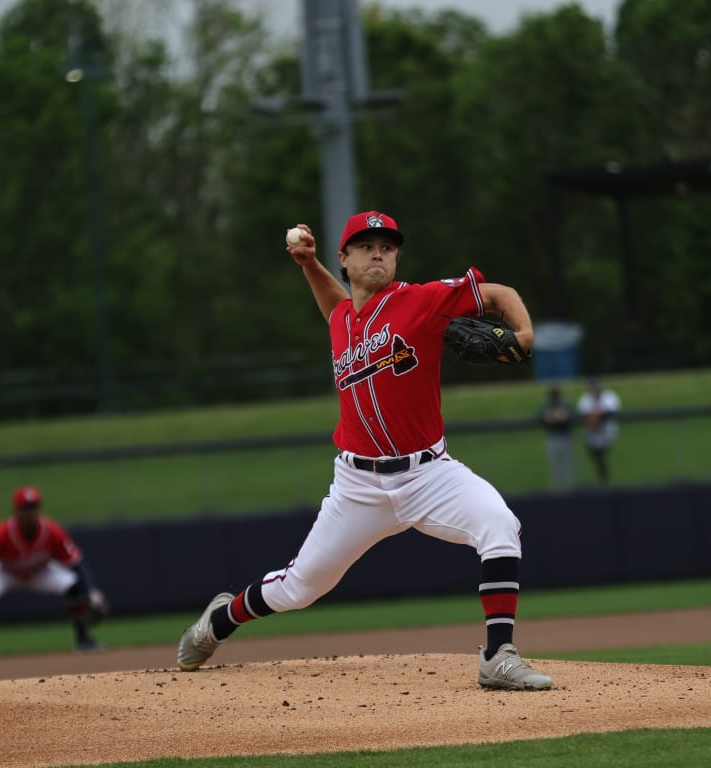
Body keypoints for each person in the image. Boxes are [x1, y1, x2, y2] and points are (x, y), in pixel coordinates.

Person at [175, 210, 554, 691]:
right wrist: (309, 265)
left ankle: (498, 656)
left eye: (387, 247)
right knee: (300, 587)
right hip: (358, 486)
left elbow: (500, 294)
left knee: (499, 525)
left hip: (429, 474)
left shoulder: (423, 300)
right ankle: (219, 621)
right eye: (366, 246)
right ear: (345, 258)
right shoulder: (342, 318)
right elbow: (337, 306)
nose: (379, 253)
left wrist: (524, 336)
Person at [0, 485, 107, 661]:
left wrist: (92, 590)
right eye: (25, 508)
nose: (30, 513)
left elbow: (77, 562)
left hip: (40, 572)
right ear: (16, 511)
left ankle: (83, 640)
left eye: (33, 507)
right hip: (6, 573)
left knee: (73, 586)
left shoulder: (52, 531)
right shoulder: (1, 533)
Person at [576, 377, 621, 484]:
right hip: (592, 431)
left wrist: (597, 416)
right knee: (594, 453)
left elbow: (611, 413)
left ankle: (604, 477)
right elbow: (584, 415)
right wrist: (594, 418)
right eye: (591, 388)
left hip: (607, 429)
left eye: (594, 387)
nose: (593, 390)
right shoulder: (585, 398)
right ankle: (602, 476)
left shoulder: (609, 396)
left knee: (601, 453)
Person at [536, 386, 576, 491]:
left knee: (567, 464)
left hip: (565, 437)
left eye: (556, 395)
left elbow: (572, 414)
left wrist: (563, 416)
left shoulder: (565, 405)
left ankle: (569, 487)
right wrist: (549, 417)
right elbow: (538, 416)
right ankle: (556, 488)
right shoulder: (547, 406)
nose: (554, 397)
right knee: (554, 465)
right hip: (552, 438)